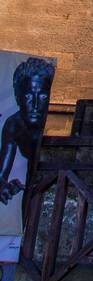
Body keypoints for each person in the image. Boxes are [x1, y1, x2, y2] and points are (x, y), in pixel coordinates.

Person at [0, 57, 55, 204]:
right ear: (18, 98)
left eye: (43, 96)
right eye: (29, 96)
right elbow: (2, 174)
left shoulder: (47, 123)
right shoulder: (14, 125)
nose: (36, 105)